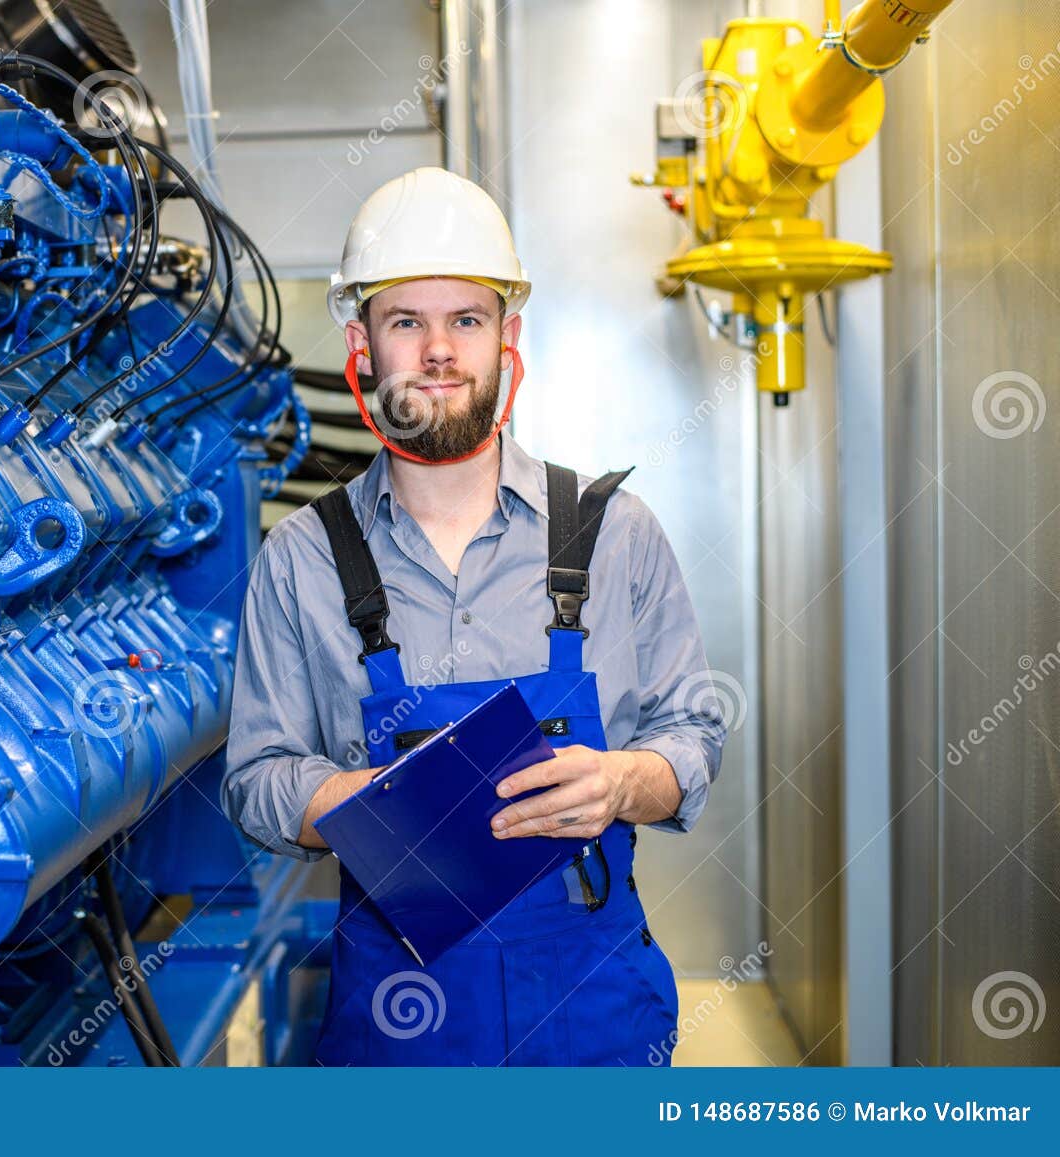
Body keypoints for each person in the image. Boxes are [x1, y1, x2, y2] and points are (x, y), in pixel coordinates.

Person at [220, 166, 726, 1066]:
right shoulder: (299, 558)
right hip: (399, 1021)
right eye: (407, 321)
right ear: (363, 344)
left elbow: (693, 736)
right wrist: (348, 800)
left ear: (508, 339)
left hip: (593, 1012)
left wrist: (619, 783)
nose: (439, 352)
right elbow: (254, 779)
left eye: (467, 319)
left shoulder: (615, 535)